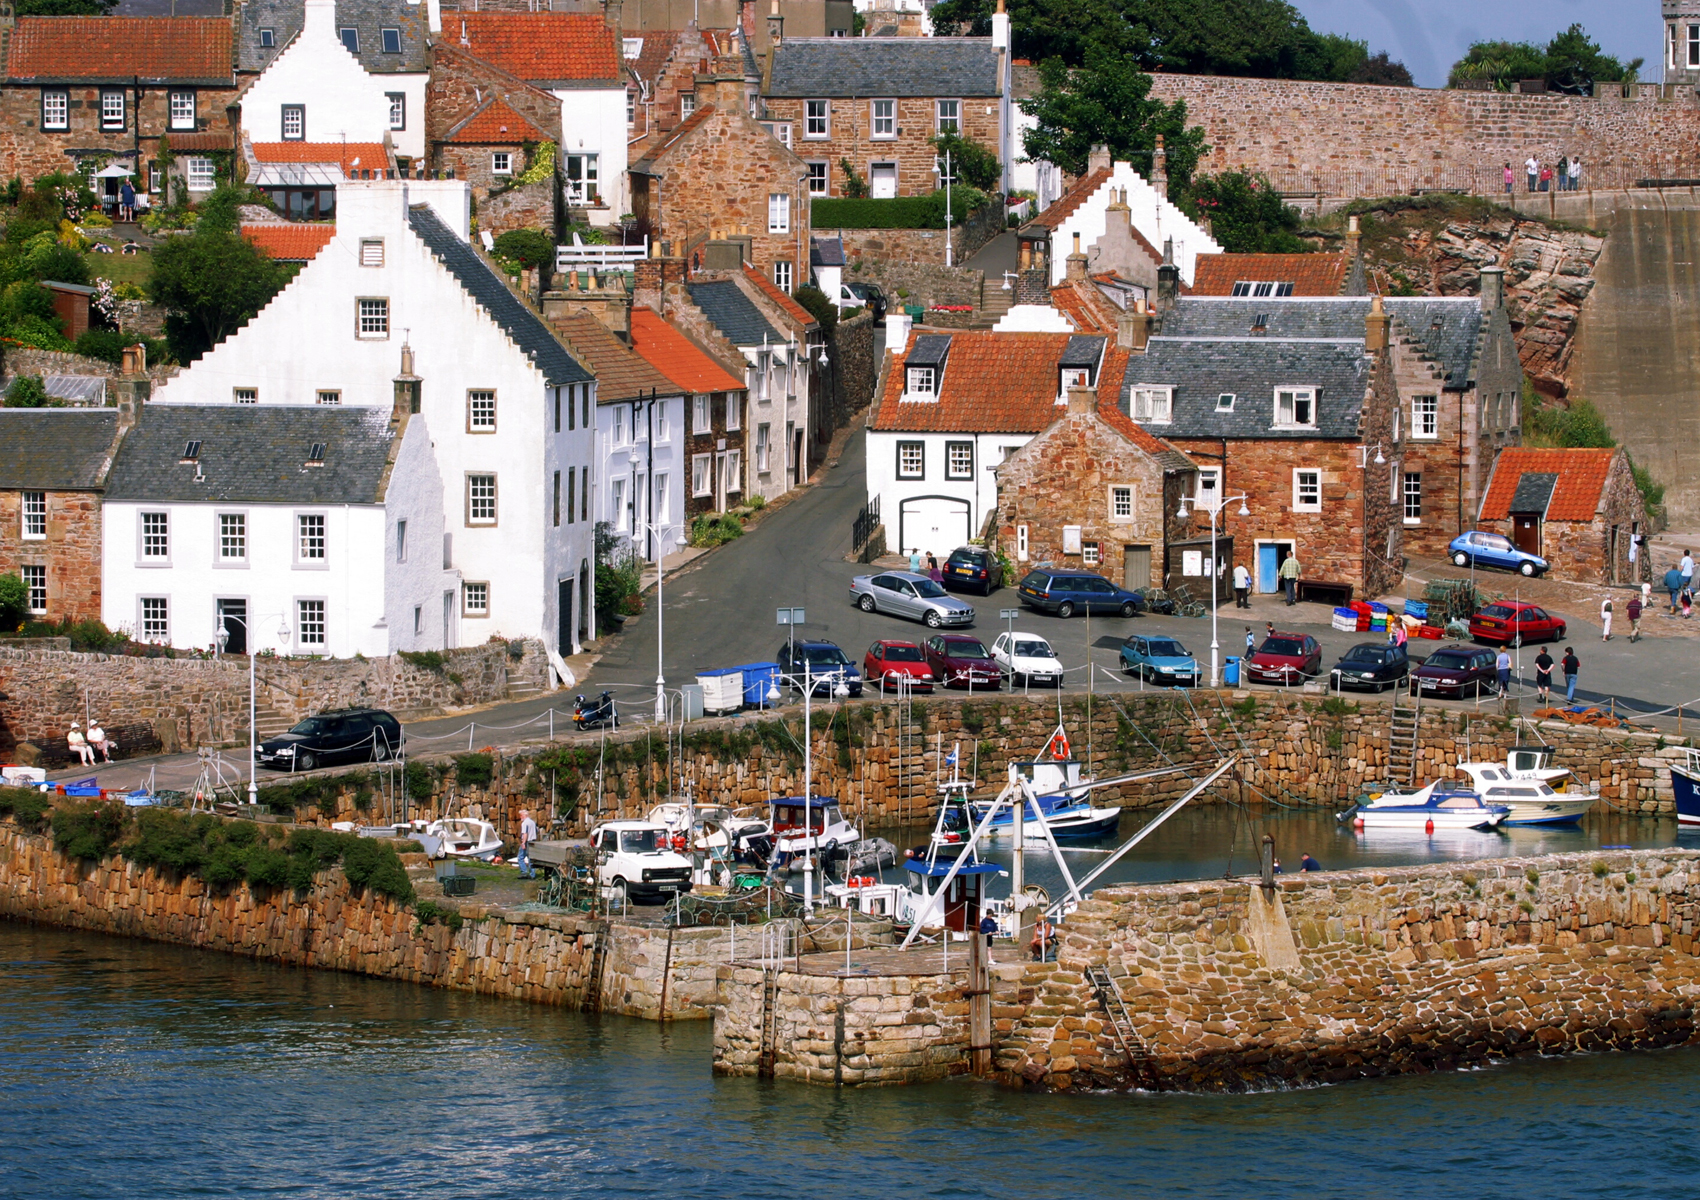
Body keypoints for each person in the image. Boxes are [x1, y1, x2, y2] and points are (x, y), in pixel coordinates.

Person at [516, 808, 538, 879]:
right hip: (533, 841)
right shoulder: (532, 822)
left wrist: (523, 843)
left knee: (520, 857)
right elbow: (536, 831)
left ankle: (524, 872)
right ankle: (532, 874)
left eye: (521, 815)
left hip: (527, 841)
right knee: (530, 858)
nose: (520, 817)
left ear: (524, 815)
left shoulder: (525, 823)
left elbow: (525, 834)